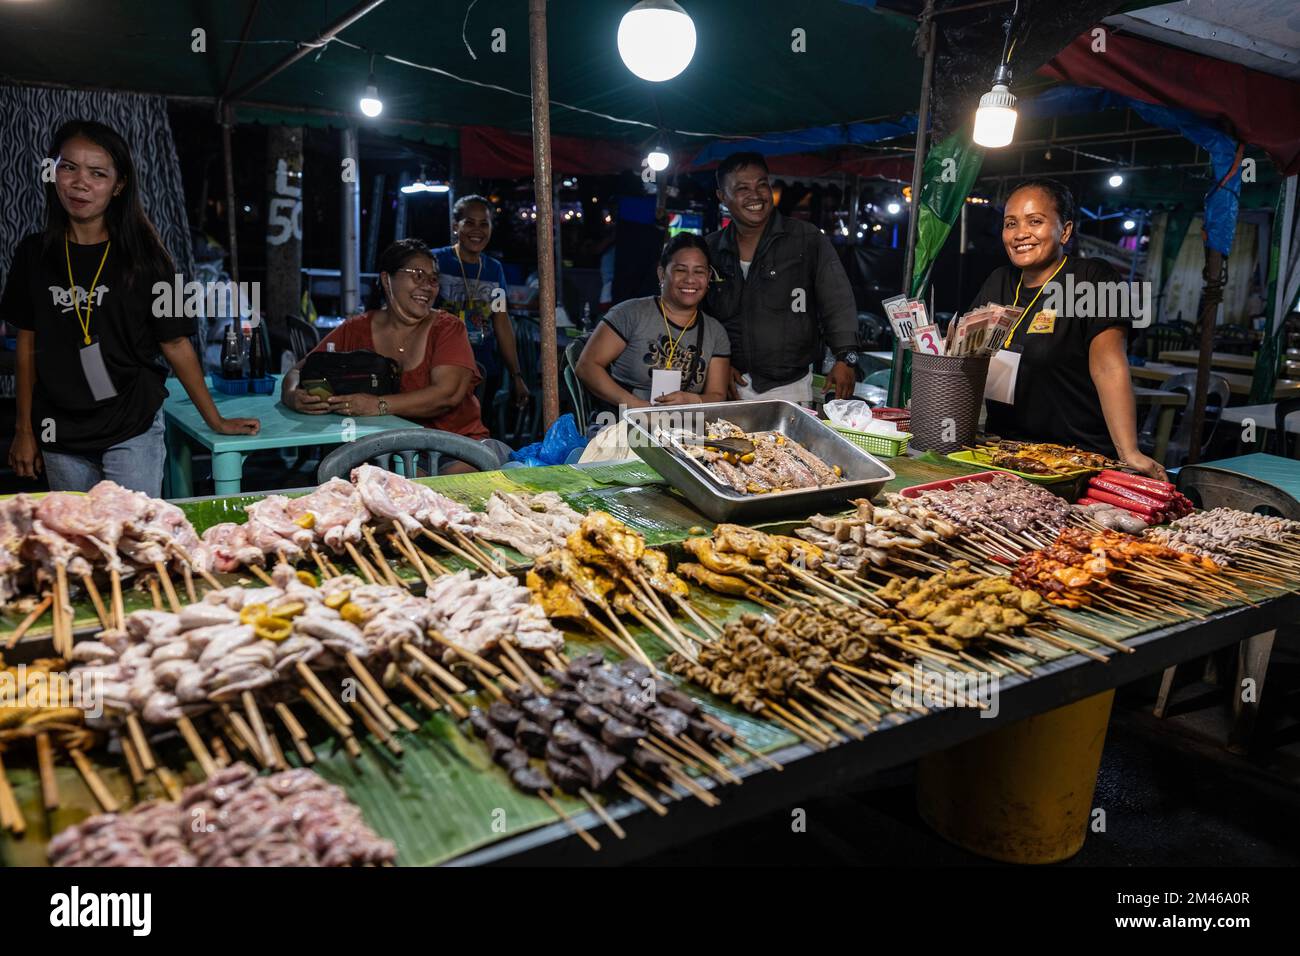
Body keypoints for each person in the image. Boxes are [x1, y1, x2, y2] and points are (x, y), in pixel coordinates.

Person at [1, 120, 258, 496]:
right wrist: (23, 430)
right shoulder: (32, 253)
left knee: (133, 537)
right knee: (81, 543)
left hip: (131, 425)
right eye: (68, 167)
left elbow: (177, 344)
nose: (79, 182)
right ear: (52, 171)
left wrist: (214, 419)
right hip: (59, 428)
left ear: (118, 185)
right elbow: (26, 344)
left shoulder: (151, 257)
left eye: (98, 173)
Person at [971, 177, 1165, 479]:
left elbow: (1108, 367)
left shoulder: (1091, 278)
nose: (1020, 233)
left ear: (1065, 230)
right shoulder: (998, 281)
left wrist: (1130, 453)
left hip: (1075, 458)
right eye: (1011, 223)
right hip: (1004, 453)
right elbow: (968, 356)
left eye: (1035, 221)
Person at [280, 239, 510, 473]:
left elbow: (446, 395)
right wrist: (292, 395)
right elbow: (298, 370)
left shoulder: (448, 328)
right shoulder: (356, 329)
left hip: (456, 449)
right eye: (418, 275)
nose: (428, 286)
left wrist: (376, 405)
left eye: (433, 279)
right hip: (387, 454)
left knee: (420, 489)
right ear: (386, 279)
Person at [704, 152, 858, 403]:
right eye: (742, 188)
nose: (755, 195)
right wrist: (716, 364)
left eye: (761, 184)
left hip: (789, 386)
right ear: (722, 197)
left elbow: (837, 301)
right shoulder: (710, 249)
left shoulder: (806, 239)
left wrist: (846, 357)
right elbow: (697, 317)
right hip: (724, 385)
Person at [575, 233, 731, 416]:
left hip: (683, 430)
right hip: (621, 425)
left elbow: (718, 395)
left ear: (709, 277)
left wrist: (691, 400)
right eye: (680, 270)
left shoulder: (715, 332)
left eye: (699, 272)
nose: (690, 279)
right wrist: (634, 406)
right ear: (662, 274)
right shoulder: (630, 314)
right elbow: (586, 367)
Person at [431, 195, 528, 412]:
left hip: (484, 369)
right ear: (456, 226)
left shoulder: (495, 269)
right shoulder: (436, 261)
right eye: (470, 223)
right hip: (442, 366)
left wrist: (516, 375)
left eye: (484, 223)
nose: (477, 230)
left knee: (478, 435)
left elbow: (501, 321)